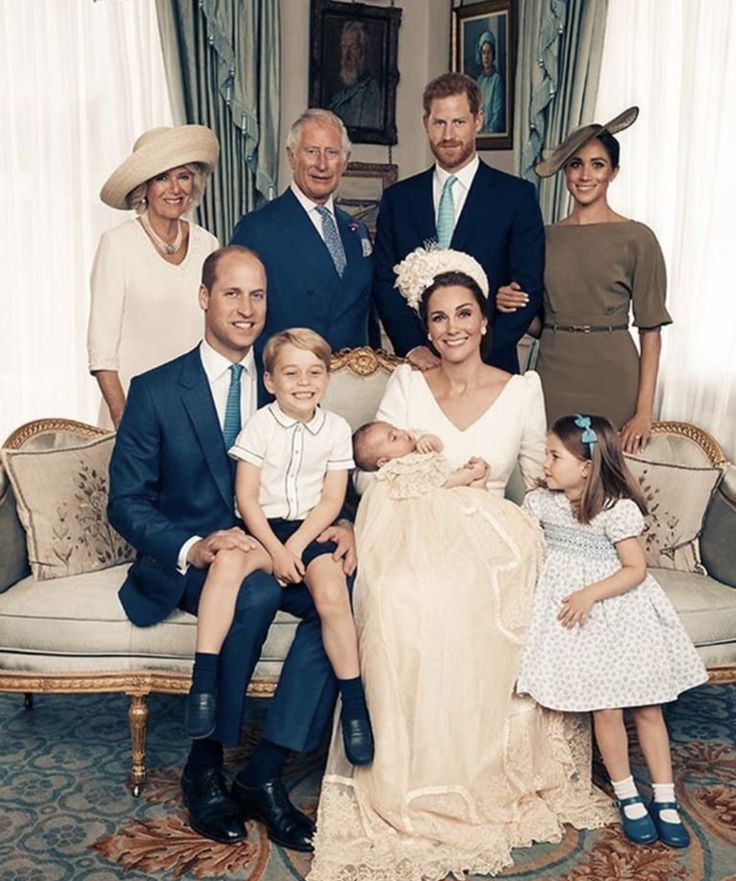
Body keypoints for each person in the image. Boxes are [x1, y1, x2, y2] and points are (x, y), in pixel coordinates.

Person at [308, 247, 615, 881]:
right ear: (427, 329)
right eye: (439, 318)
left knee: (466, 593)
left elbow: (538, 481)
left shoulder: (522, 390)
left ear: (483, 322)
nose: (452, 328)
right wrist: (417, 485)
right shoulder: (405, 383)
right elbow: (370, 473)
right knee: (401, 593)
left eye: (464, 314)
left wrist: (580, 527)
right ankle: (407, 773)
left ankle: (475, 768)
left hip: (495, 537)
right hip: (411, 523)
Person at [108, 245, 356, 853]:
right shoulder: (157, 390)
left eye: (258, 295)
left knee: (349, 593)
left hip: (281, 545)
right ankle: (204, 763)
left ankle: (264, 773)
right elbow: (126, 501)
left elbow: (318, 473)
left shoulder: (288, 382)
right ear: (204, 297)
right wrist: (193, 547)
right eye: (232, 293)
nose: (247, 309)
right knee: (252, 591)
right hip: (203, 565)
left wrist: (345, 522)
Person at [185, 327, 374, 767]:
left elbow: (331, 500)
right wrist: (274, 548)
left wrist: (298, 546)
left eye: (314, 372)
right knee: (228, 562)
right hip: (262, 529)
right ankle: (204, 680)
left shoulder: (336, 428)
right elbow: (247, 499)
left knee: (332, 589)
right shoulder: (260, 425)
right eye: (291, 373)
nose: (304, 382)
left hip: (308, 529)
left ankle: (355, 706)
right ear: (270, 381)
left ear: (327, 378)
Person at [516, 414, 708, 848]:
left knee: (646, 707)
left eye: (553, 455)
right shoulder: (540, 504)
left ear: (586, 466)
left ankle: (664, 797)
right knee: (605, 708)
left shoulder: (615, 510)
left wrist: (588, 594)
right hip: (580, 627)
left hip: (620, 615)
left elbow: (635, 569)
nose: (544, 463)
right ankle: (626, 795)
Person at [497, 107, 671, 452]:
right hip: (554, 372)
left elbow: (651, 332)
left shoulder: (638, 238)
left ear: (614, 172)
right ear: (564, 172)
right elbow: (540, 322)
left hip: (614, 375)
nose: (585, 175)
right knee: (553, 474)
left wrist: (643, 411)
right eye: (575, 164)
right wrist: (508, 303)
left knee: (606, 480)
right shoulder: (542, 237)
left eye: (597, 164)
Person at [372, 72, 544, 374]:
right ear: (426, 123)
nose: (448, 135)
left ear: (478, 120)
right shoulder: (398, 199)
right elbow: (385, 284)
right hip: (419, 369)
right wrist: (414, 348)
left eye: (459, 122)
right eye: (439, 123)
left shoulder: (516, 196)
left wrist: (478, 355)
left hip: (492, 368)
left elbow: (526, 290)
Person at [88, 124, 220, 428]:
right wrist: (125, 421)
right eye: (162, 177)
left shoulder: (208, 244)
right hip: (133, 412)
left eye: (183, 176)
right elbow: (101, 352)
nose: (175, 189)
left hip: (194, 412)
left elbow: (214, 336)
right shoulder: (117, 245)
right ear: (143, 187)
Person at [230, 109, 377, 363]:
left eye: (332, 153)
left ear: (345, 160)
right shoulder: (257, 229)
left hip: (354, 390)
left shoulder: (356, 231)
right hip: (288, 384)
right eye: (311, 151)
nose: (322, 164)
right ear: (291, 156)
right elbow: (239, 320)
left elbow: (367, 321)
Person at [352, 419, 490, 486]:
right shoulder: (399, 470)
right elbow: (439, 484)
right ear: (384, 462)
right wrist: (469, 474)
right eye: (393, 438)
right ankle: (472, 475)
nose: (401, 432)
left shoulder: (417, 441)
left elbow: (439, 446)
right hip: (438, 497)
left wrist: (430, 440)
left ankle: (473, 477)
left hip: (450, 479)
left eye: (396, 428)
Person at [327, 21, 382, 129]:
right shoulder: (339, 96)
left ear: (364, 53)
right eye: (344, 47)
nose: (347, 56)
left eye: (354, 48)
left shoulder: (372, 93)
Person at [476, 30, 503, 133]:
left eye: (488, 52)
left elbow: (498, 110)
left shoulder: (496, 79)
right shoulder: (479, 81)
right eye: (483, 53)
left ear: (493, 55)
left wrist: (490, 130)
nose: (486, 57)